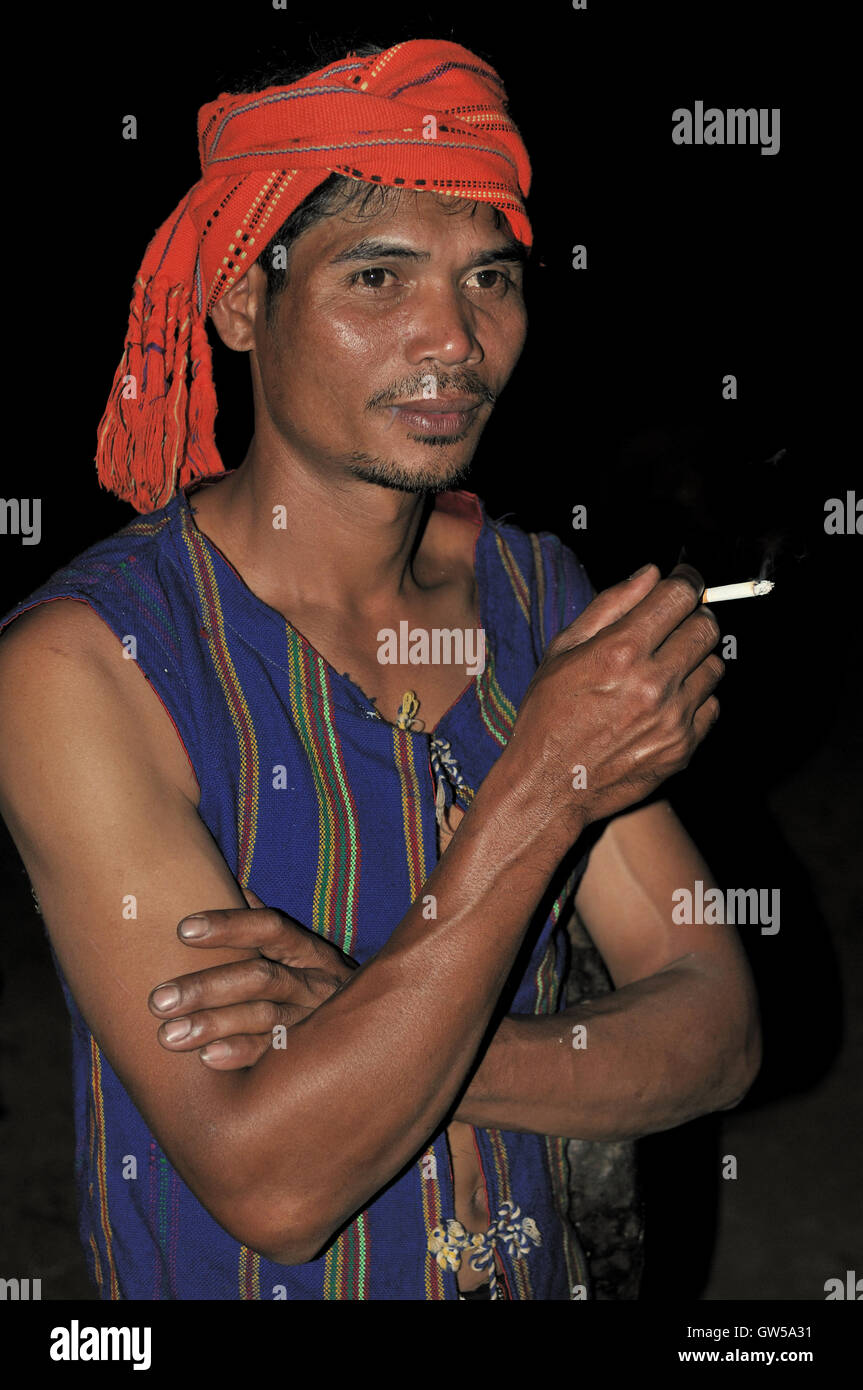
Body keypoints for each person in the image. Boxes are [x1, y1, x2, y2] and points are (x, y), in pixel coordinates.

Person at [0, 38, 760, 1300]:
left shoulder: (530, 598)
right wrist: (542, 787)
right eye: (376, 274)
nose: (452, 339)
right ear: (243, 302)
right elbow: (275, 1185)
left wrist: (368, 1022)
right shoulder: (85, 664)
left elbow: (717, 1026)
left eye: (490, 280)